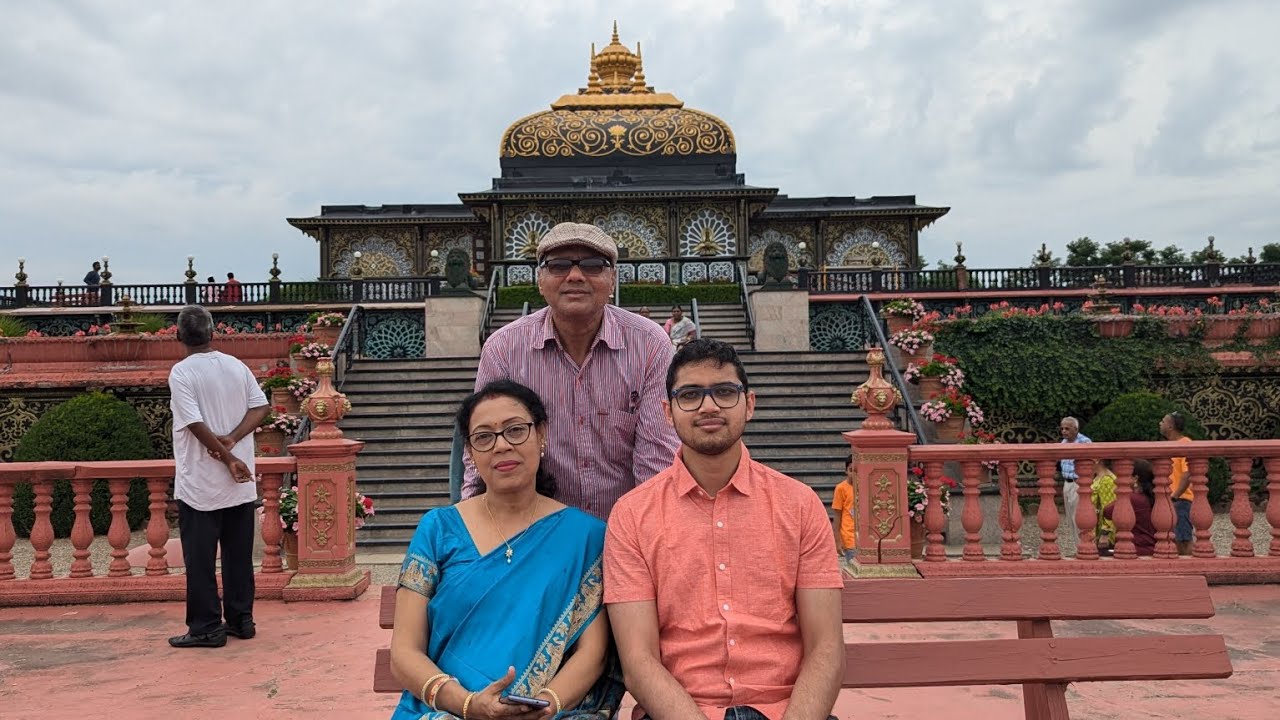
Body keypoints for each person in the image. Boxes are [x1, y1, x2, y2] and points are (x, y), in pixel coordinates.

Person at [605, 339, 845, 720]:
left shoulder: (799, 505)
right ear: (668, 412)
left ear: (749, 404)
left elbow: (826, 648)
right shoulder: (632, 516)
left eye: (724, 392)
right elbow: (639, 660)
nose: (708, 406)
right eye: (690, 395)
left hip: (786, 710)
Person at [390, 380, 623, 719]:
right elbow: (404, 651)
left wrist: (545, 706)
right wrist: (468, 705)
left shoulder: (586, 537)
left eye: (515, 430)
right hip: (445, 711)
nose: (501, 446)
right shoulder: (439, 529)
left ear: (541, 434)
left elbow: (594, 653)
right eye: (484, 437)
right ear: (469, 452)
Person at [463, 222, 679, 520]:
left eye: (593, 265)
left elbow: (658, 460)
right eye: (559, 265)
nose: (575, 276)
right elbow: (484, 449)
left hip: (626, 532)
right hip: (536, 536)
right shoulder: (504, 350)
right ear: (540, 281)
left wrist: (644, 542)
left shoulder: (650, 344)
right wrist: (472, 528)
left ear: (613, 280)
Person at [166, 305, 270, 648]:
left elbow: (194, 423)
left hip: (200, 486)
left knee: (200, 561)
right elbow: (261, 407)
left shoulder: (182, 373)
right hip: (240, 486)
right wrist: (234, 442)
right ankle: (242, 620)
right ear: (213, 333)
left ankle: (207, 627)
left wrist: (227, 457)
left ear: (178, 335)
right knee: (238, 558)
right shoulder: (235, 365)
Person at [1103, 459, 1157, 556]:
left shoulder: (1133, 499)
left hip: (1135, 547)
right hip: (1155, 547)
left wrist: (1123, 491)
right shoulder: (1154, 497)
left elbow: (1107, 512)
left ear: (1135, 478)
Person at [1161, 412, 1194, 555]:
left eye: (1163, 421)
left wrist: (1176, 495)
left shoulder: (1185, 444)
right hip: (1172, 499)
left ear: (1170, 426)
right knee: (1174, 538)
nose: (1160, 423)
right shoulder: (1170, 445)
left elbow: (1188, 473)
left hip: (1181, 500)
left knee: (1183, 539)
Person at [1058, 417, 1091, 540]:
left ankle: (1083, 546)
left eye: (1067, 428)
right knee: (1070, 519)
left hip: (1078, 483)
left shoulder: (1085, 442)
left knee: (1079, 518)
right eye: (1062, 428)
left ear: (1076, 429)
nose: (1064, 431)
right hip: (1067, 482)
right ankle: (1076, 548)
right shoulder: (1064, 443)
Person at [1088, 459, 1118, 555]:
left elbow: (1109, 509)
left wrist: (1105, 533)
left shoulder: (1107, 480)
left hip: (1104, 533)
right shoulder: (1098, 477)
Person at [831, 454, 857, 561]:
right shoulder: (841, 488)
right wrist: (837, 541)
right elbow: (837, 516)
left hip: (864, 538)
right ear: (846, 471)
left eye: (856, 471)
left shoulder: (866, 487)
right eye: (851, 470)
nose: (854, 474)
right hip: (849, 538)